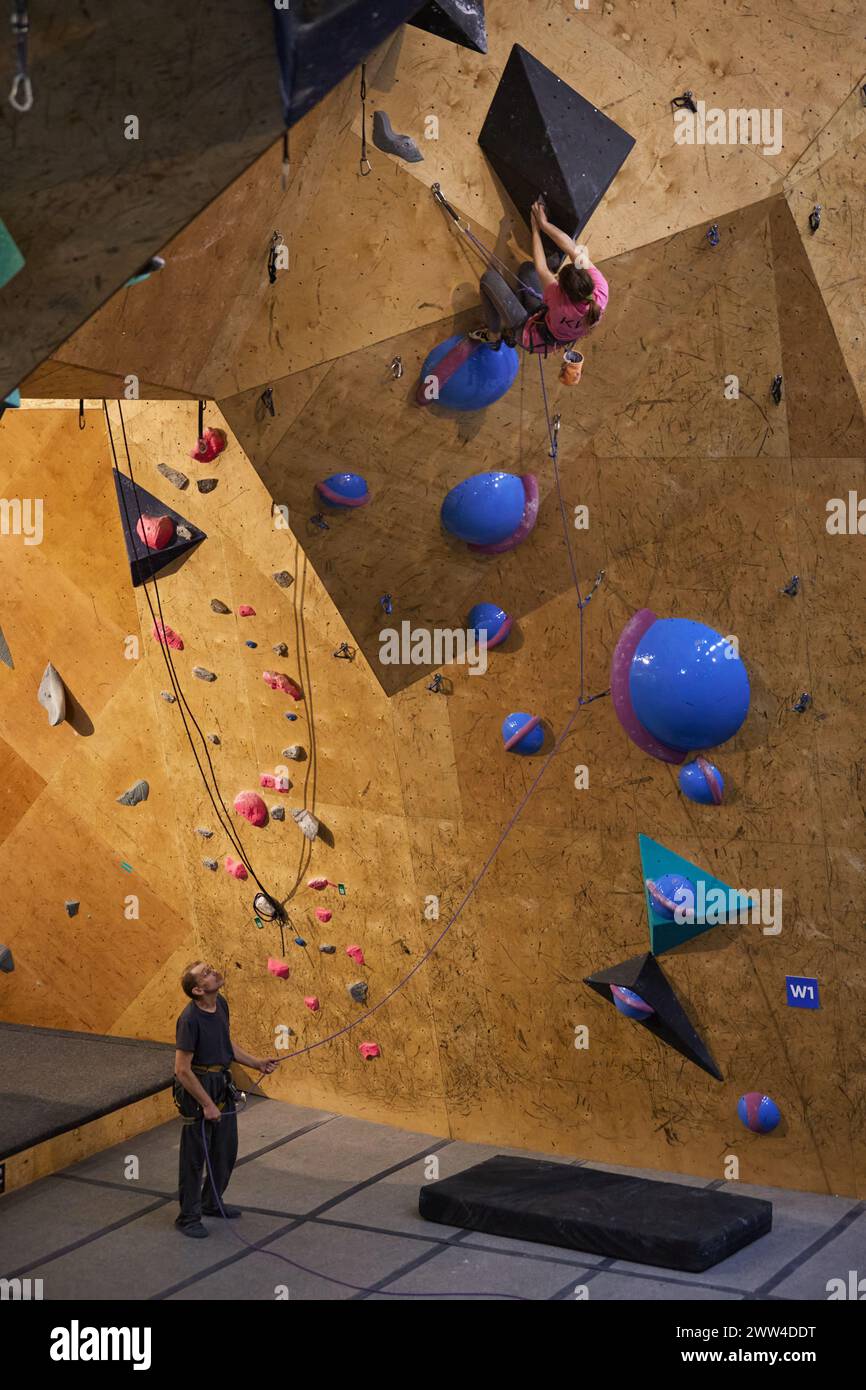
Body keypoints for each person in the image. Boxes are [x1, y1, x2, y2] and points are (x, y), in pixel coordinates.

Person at [173, 960, 278, 1238]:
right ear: (197, 990)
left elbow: (225, 1043)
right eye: (206, 974)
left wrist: (256, 1062)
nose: (214, 973)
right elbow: (182, 1069)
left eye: (210, 969)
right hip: (198, 1086)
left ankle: (211, 1202)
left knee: (225, 1151)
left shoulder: (221, 1005)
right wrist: (206, 1103)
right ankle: (188, 1217)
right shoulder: (189, 1020)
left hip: (221, 1081)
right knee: (196, 1157)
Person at [473, 198, 609, 356]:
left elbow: (542, 268)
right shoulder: (600, 292)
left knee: (489, 279)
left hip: (529, 336)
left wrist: (536, 227)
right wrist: (545, 224)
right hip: (548, 324)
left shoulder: (559, 302)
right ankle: (512, 324)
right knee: (527, 270)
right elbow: (572, 250)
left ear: (563, 291)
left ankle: (493, 335)